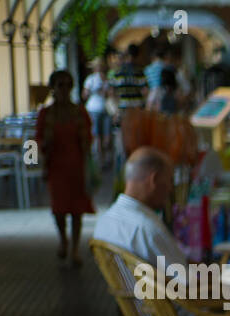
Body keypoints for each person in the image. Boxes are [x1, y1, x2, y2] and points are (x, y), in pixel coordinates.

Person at [36, 70, 95, 267]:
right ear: (53, 88)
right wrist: (42, 148)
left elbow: (89, 136)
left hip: (76, 165)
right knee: (59, 209)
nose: (64, 89)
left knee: (76, 209)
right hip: (55, 166)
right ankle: (63, 239)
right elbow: (37, 138)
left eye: (68, 85)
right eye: (60, 85)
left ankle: (75, 249)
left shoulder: (79, 112)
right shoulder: (46, 114)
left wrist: (85, 141)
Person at [82, 58, 112, 163]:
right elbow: (85, 95)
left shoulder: (107, 80)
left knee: (105, 136)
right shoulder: (90, 80)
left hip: (105, 109)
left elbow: (111, 95)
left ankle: (104, 159)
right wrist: (93, 90)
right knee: (97, 135)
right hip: (94, 109)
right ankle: (100, 160)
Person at [108, 44, 148, 115]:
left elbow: (111, 92)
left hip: (123, 108)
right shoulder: (139, 72)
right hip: (137, 108)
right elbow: (145, 91)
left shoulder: (117, 72)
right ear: (137, 56)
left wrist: (116, 110)